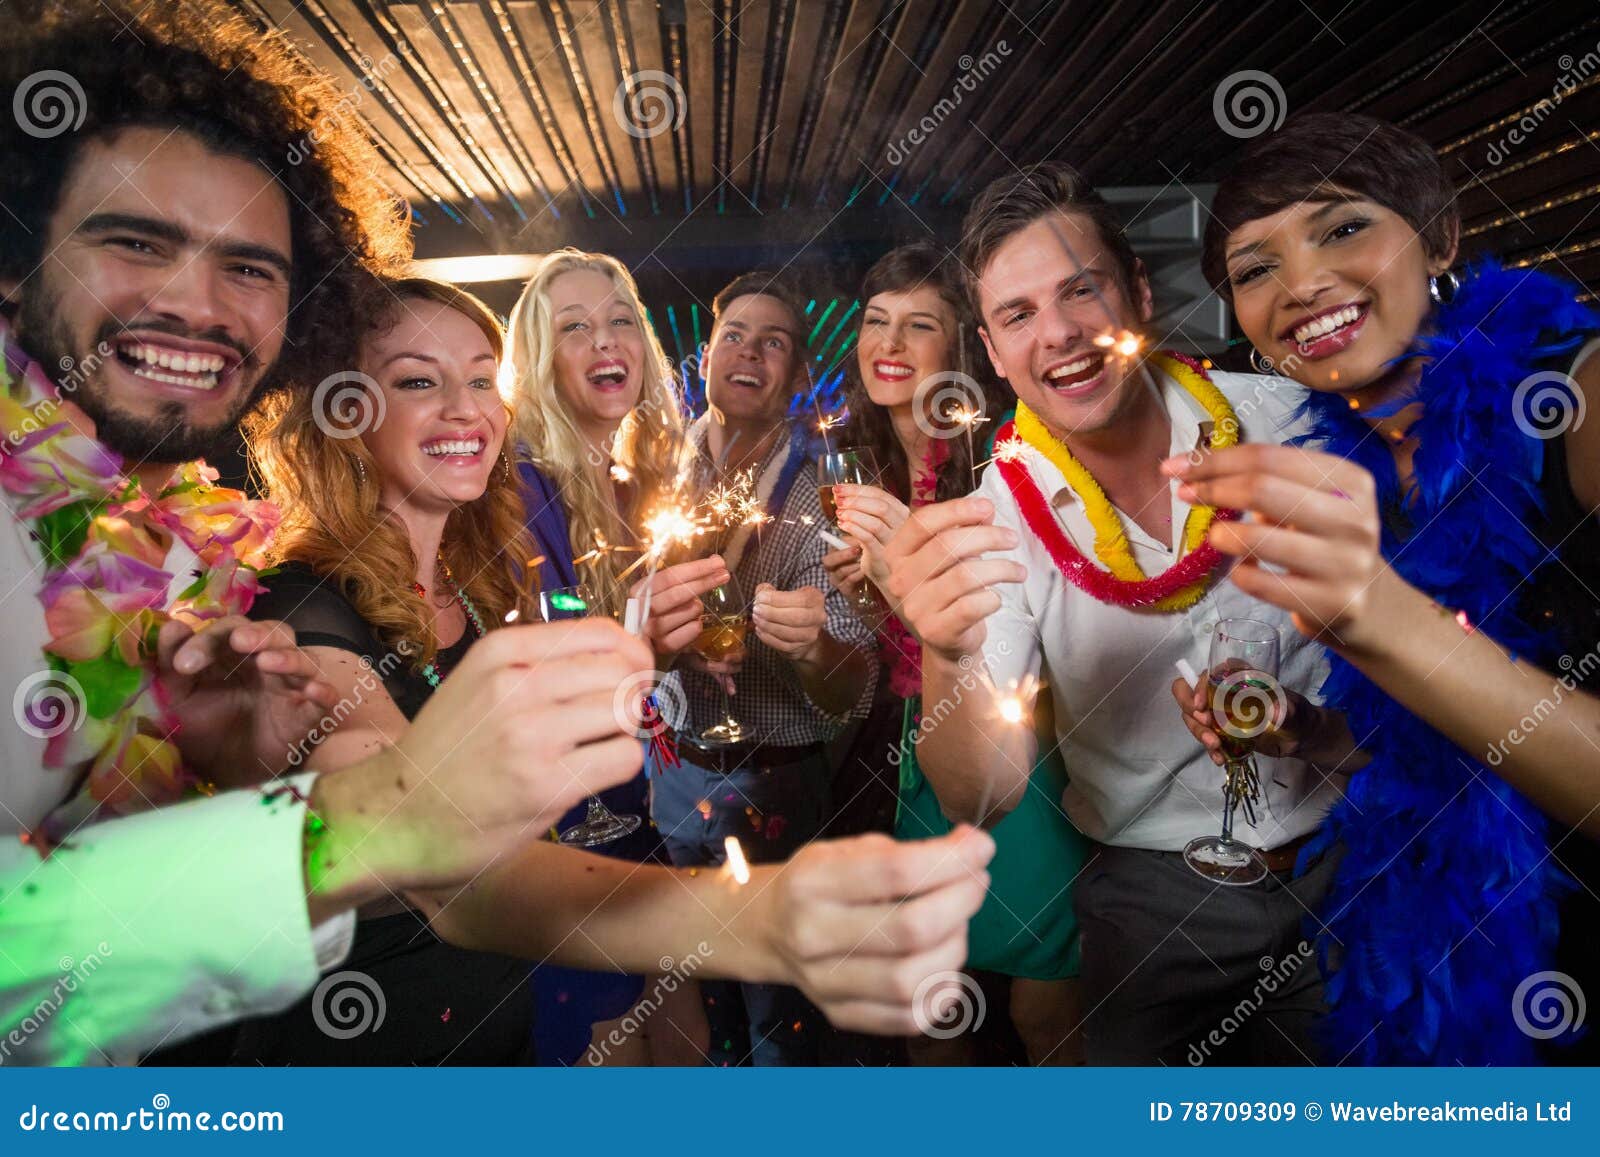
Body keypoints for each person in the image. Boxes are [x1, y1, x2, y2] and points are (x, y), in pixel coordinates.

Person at [0, 0, 650, 1064]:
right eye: (134, 240)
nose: (194, 303)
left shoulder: (175, 561)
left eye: (248, 268)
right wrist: (753, 919)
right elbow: (432, 844)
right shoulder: (300, 599)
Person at [877, 163, 1366, 1066]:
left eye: (1081, 290)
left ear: (1137, 292)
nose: (1059, 332)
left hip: (1357, 858)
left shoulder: (1293, 422)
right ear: (991, 349)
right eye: (1019, 314)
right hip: (1151, 904)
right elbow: (981, 795)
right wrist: (945, 650)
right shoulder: (994, 523)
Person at [1163, 111, 1600, 1065]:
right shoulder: (1352, 464)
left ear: (1438, 236)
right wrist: (1312, 733)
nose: (1302, 282)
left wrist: (1379, 617)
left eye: (1342, 226)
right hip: (1467, 979)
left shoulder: (1579, 399)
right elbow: (1447, 744)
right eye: (1254, 269)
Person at [823, 242, 1088, 1065]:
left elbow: (990, 629)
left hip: (1019, 745)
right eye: (876, 322)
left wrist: (904, 575)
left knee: (1047, 1008)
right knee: (928, 1005)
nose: (889, 343)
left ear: (962, 350)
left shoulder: (1003, 462)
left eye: (919, 325)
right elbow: (890, 650)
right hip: (912, 748)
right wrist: (849, 606)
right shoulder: (866, 466)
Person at [637, 272, 878, 1065]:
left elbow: (852, 690)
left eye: (774, 342)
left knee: (782, 1015)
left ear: (800, 373)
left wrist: (814, 648)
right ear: (706, 354)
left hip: (776, 781)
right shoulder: (646, 467)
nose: (749, 352)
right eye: (734, 334)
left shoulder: (824, 489)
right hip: (662, 774)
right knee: (687, 1004)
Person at [503, 248, 705, 1065]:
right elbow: (528, 682)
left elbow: (644, 682)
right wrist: (644, 648)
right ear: (542, 360)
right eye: (575, 326)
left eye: (622, 319)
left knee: (689, 1051)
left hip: (641, 820)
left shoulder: (639, 489)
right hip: (561, 835)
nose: (606, 339)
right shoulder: (517, 490)